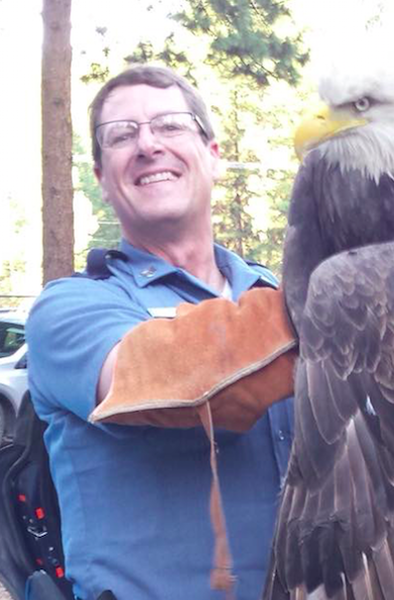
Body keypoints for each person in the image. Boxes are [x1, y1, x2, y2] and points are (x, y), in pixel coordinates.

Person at [25, 65, 296, 600]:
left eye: (170, 125)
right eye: (121, 136)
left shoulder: (273, 292)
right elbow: (168, 379)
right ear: (102, 180)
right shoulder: (70, 308)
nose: (148, 144)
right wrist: (341, 304)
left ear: (213, 156)